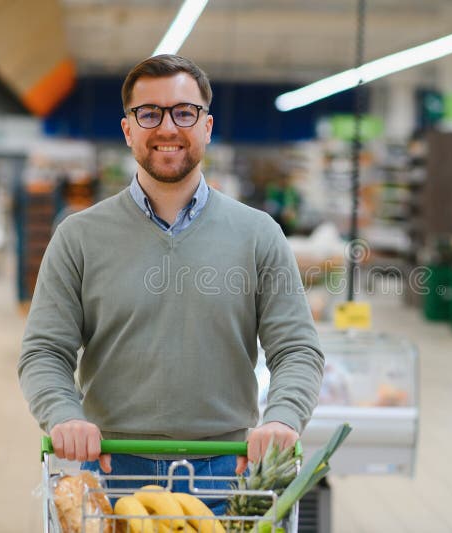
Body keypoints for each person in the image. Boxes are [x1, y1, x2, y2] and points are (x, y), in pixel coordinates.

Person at [17, 54, 324, 514]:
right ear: (128, 130)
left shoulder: (259, 235)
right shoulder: (79, 237)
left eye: (184, 112)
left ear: (206, 126)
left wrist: (282, 417)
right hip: (110, 474)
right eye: (149, 113)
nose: (167, 128)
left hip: (229, 476)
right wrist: (63, 414)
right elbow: (44, 351)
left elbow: (297, 348)